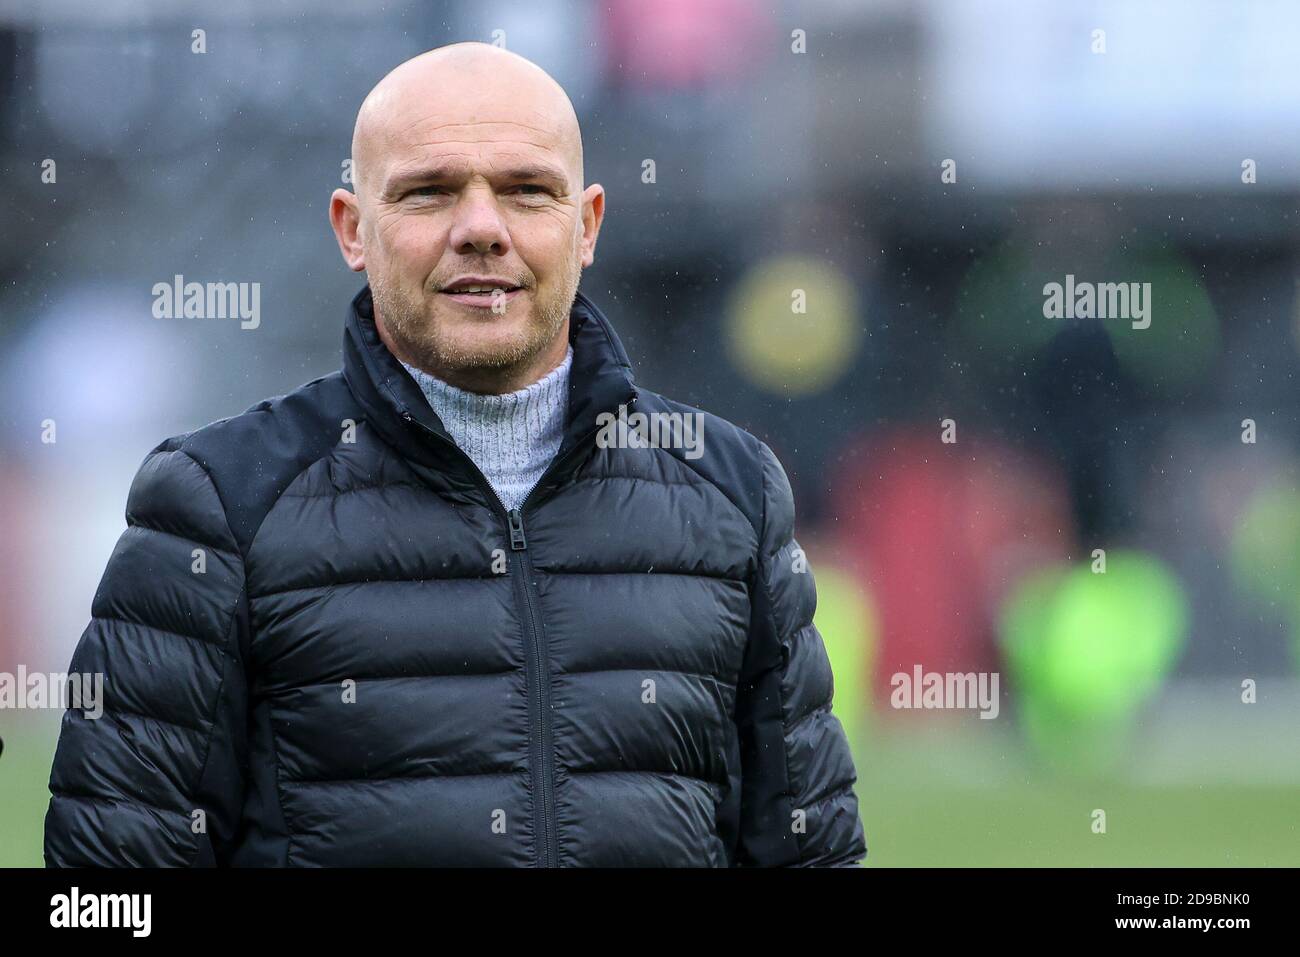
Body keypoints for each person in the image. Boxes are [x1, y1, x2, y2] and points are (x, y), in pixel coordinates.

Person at [43, 42, 867, 867]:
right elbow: (106, 888)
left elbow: (813, 855)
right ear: (353, 230)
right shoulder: (218, 504)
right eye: (430, 191)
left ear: (586, 227)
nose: (481, 229)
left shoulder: (732, 493)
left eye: (526, 191)